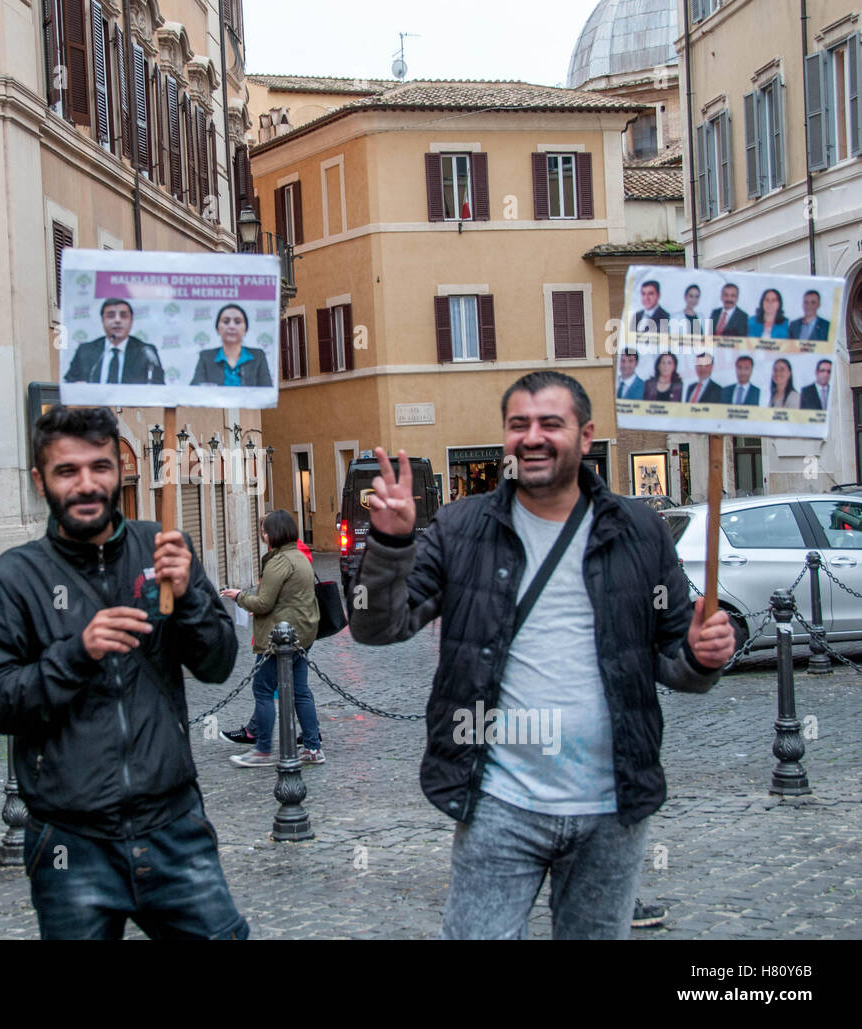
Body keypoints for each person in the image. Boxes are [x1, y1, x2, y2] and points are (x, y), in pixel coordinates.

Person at [348, 370, 734, 940]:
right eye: (518, 424)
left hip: (612, 806)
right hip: (498, 803)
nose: (533, 437)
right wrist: (391, 544)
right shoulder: (461, 528)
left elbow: (675, 661)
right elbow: (377, 628)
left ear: (585, 435)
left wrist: (703, 657)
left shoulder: (640, 530)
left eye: (551, 423)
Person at [0, 405, 246, 940]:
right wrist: (78, 652)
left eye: (99, 467)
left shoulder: (164, 546)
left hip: (173, 826)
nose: (85, 484)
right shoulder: (13, 577)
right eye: (66, 471)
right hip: (70, 840)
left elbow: (218, 664)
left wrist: (189, 590)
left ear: (120, 470)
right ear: (40, 481)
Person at [219, 511, 324, 767]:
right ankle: (312, 747)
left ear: (274, 533)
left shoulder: (279, 562)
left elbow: (264, 603)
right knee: (300, 691)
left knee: (262, 689)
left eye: (265, 530)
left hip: (281, 639)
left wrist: (238, 596)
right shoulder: (299, 557)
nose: (263, 535)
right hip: (302, 634)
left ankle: (262, 749)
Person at [64, 298, 165, 384]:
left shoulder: (145, 352)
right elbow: (69, 382)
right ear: (102, 321)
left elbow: (158, 386)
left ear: (131, 321)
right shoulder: (85, 351)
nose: (117, 320)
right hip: (94, 406)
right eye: (111, 315)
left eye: (123, 315)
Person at [190, 303, 273, 387]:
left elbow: (267, 390)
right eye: (226, 321)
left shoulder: (258, 356)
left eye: (237, 322)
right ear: (217, 328)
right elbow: (196, 390)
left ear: (246, 329)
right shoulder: (206, 356)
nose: (231, 326)